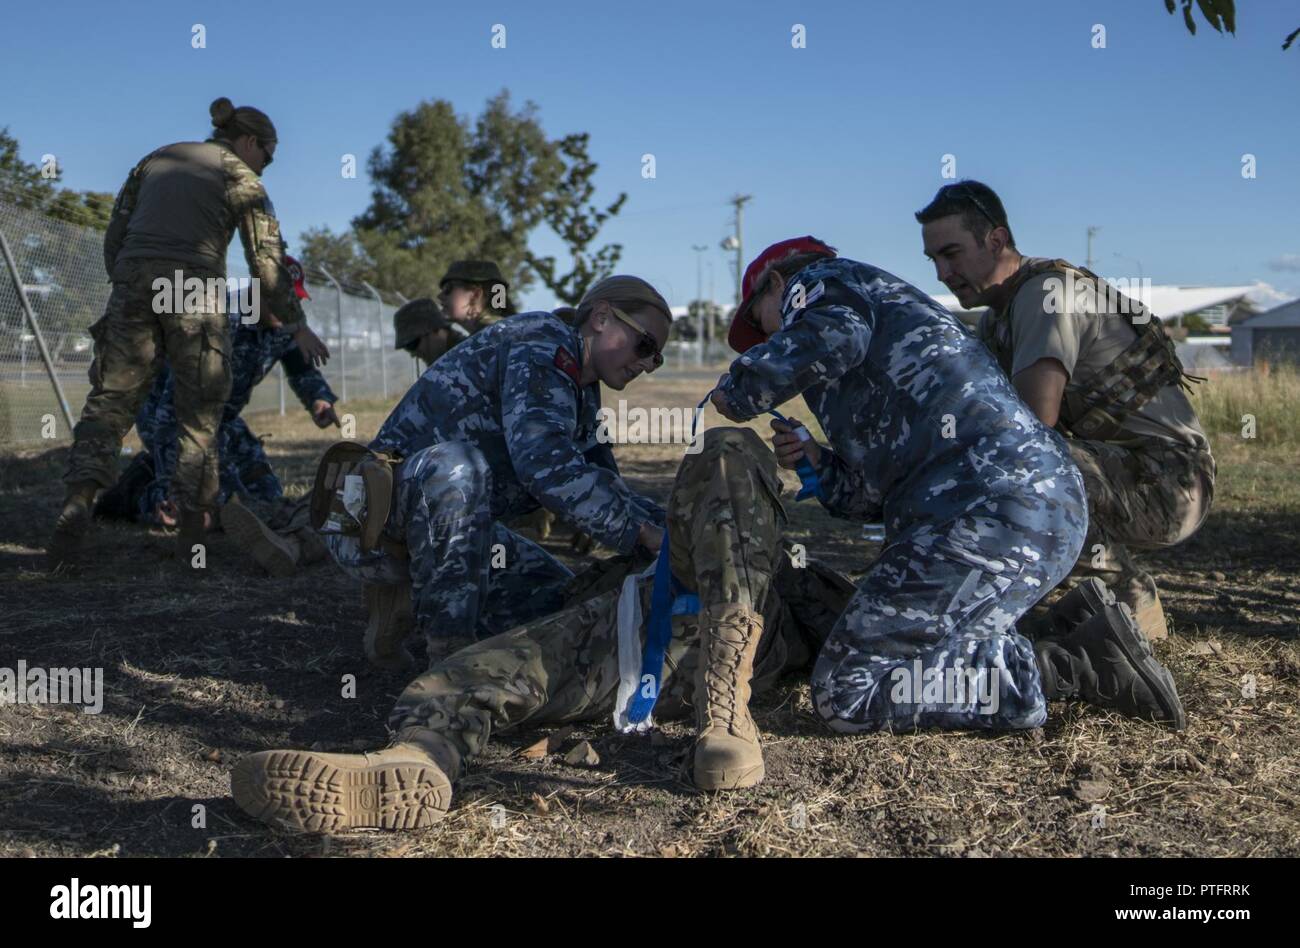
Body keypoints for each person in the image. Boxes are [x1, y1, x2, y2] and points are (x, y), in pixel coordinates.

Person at [231, 426, 858, 831]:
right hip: (628, 633)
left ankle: (723, 714)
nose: (646, 361)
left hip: (735, 630)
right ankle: (416, 760)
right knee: (470, 674)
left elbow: (853, 632)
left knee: (726, 445)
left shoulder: (786, 572)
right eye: (642, 345)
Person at [709, 236, 1185, 735]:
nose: (768, 341)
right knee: (917, 650)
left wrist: (742, 387)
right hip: (1031, 510)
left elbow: (832, 336)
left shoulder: (822, 283)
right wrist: (818, 462)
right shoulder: (877, 334)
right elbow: (870, 497)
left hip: (986, 512)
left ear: (778, 284)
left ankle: (1066, 666)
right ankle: (1067, 628)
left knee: (848, 692)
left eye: (763, 325)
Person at [916, 181, 1214, 642]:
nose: (941, 272)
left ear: (995, 241)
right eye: (933, 259)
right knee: (984, 462)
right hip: (1130, 472)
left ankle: (1130, 602)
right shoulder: (999, 316)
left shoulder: (1044, 295)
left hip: (1172, 483)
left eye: (951, 253)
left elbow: (1034, 424)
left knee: (1022, 462)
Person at [325, 275, 672, 670]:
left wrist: (675, 532)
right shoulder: (541, 342)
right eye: (645, 345)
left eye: (656, 357)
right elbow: (545, 465)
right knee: (457, 467)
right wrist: (641, 533)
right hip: (367, 525)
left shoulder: (581, 384)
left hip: (454, 532)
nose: (647, 364)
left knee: (553, 603)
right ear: (602, 317)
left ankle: (403, 599)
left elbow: (604, 481)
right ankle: (448, 661)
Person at [49, 96, 306, 567]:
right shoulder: (241, 177)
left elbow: (115, 236)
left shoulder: (156, 159)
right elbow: (266, 265)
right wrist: (294, 319)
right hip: (193, 286)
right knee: (200, 415)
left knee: (108, 402)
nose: (266, 167)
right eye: (267, 156)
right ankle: (193, 535)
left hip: (135, 280)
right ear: (249, 141)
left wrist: (131, 288)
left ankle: (78, 503)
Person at [437, 260, 514, 334]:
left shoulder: (491, 335)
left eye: (447, 288)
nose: (440, 296)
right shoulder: (503, 329)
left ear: (476, 295)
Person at [393, 297, 468, 368]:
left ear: (436, 329)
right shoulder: (446, 363)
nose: (413, 354)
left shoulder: (469, 356)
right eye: (407, 348)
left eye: (412, 344)